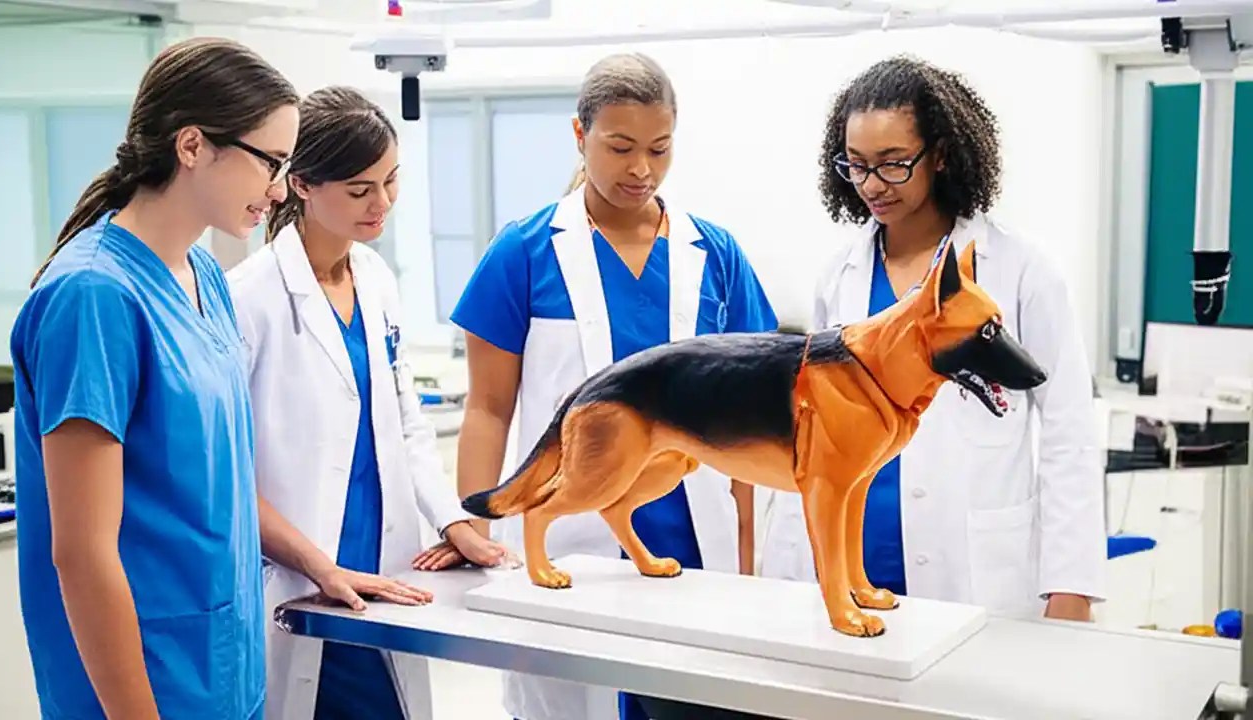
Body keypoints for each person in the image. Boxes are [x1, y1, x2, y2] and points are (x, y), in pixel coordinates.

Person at [451, 53, 779, 720]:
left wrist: (752, 566)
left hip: (695, 547)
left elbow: (757, 420)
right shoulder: (523, 251)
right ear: (579, 135)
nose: (642, 170)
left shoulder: (715, 255)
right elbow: (488, 408)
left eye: (660, 149)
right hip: (573, 547)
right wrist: (474, 527)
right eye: (620, 147)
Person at [8, 38, 299, 720]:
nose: (280, 191)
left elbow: (215, 487)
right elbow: (80, 554)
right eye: (271, 163)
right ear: (193, 145)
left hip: (223, 667)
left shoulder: (205, 280)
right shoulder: (93, 297)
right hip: (142, 691)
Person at [761, 56, 1105, 622]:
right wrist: (785, 565)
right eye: (857, 165)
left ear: (941, 155)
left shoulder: (1021, 271)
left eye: (894, 164)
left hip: (971, 568)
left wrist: (1072, 586)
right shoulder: (840, 276)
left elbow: (1069, 431)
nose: (873, 185)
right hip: (852, 564)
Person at [225, 86, 510, 720]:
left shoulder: (377, 281)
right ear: (299, 183)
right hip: (300, 576)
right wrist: (317, 565)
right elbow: (228, 473)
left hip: (384, 567)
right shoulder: (247, 299)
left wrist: (456, 524)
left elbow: (405, 425)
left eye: (391, 181)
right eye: (359, 189)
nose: (381, 204)